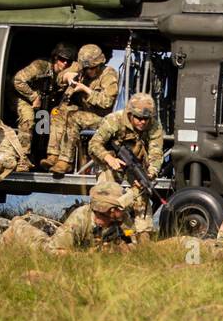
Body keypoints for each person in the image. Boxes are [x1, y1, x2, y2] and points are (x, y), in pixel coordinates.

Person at [87, 92, 164, 242]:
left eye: (146, 119)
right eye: (139, 118)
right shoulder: (114, 120)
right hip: (109, 163)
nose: (143, 122)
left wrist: (150, 174)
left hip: (135, 165)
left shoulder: (154, 125)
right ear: (130, 114)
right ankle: (99, 233)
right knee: (105, 194)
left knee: (142, 192)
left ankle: (142, 235)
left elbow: (156, 153)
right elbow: (94, 144)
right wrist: (108, 158)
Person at [43, 44, 119, 175]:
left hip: (102, 117)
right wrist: (67, 77)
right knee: (57, 112)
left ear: (99, 64)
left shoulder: (109, 74)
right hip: (85, 111)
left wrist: (85, 89)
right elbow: (59, 77)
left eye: (91, 68)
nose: (88, 71)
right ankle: (53, 155)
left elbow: (107, 102)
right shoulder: (81, 67)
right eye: (86, 68)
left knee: (74, 117)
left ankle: (65, 161)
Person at [13, 42, 79, 158]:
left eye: (68, 61)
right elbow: (18, 80)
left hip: (41, 100)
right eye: (62, 59)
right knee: (28, 119)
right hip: (21, 95)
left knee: (45, 125)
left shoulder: (59, 74)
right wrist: (34, 97)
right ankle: (22, 159)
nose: (65, 63)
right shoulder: (40, 65)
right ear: (55, 57)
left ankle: (39, 156)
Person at [46, 181, 141, 253]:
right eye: (121, 208)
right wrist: (91, 254)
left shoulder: (122, 218)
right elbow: (54, 250)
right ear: (110, 209)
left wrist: (117, 248)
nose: (124, 211)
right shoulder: (80, 217)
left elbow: (134, 240)